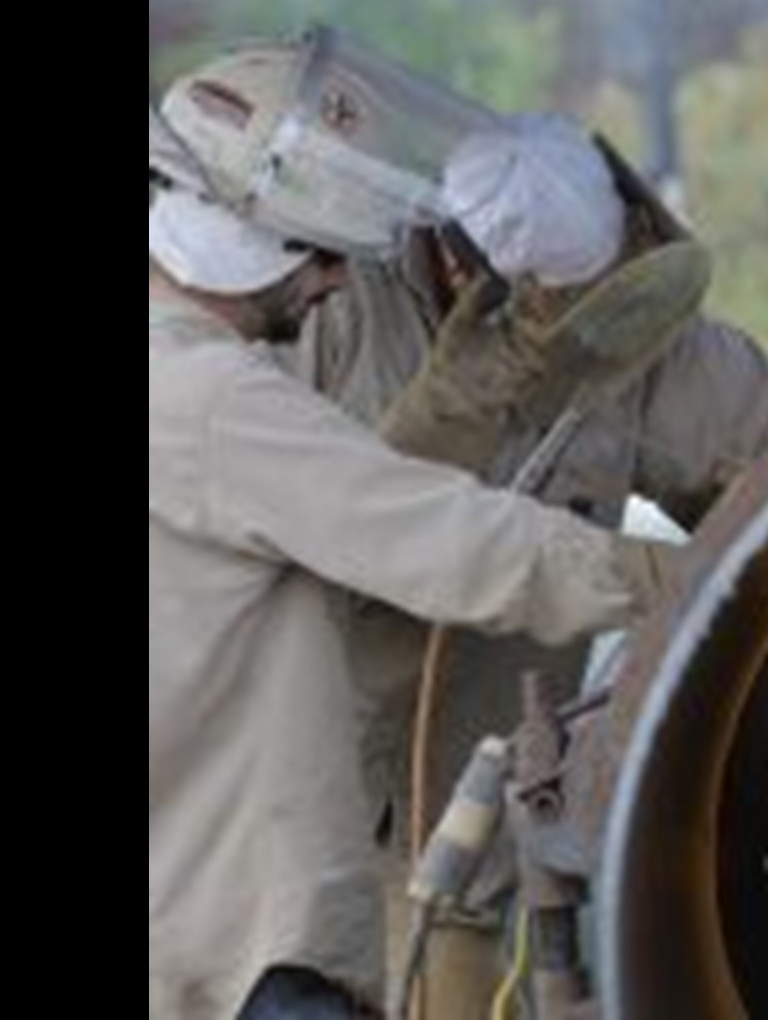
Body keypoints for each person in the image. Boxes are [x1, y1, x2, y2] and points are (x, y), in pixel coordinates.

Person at [149, 52, 676, 1017]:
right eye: (317, 253)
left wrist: (451, 405)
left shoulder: (180, 380)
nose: (333, 280)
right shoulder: (215, 398)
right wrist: (687, 577)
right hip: (240, 946)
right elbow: (447, 542)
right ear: (236, 241)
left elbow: (353, 508)